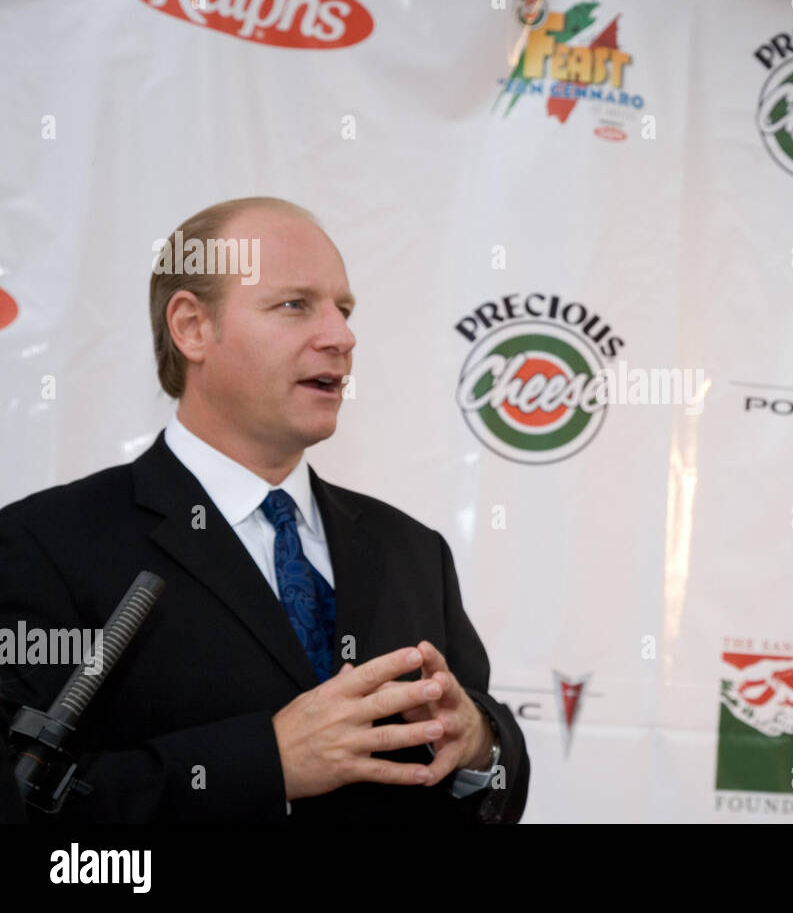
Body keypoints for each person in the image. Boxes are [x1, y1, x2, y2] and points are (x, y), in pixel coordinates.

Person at [0, 197, 528, 822]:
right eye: (294, 305)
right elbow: (22, 804)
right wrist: (265, 763)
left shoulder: (412, 549)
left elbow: (492, 772)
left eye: (344, 309)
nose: (341, 336)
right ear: (193, 327)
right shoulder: (43, 546)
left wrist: (478, 744)